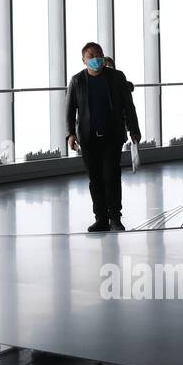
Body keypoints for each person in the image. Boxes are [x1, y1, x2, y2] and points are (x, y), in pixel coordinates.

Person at [66, 42, 141, 232]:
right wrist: (70, 134)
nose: (95, 59)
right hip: (89, 138)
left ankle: (115, 218)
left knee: (112, 176)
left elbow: (128, 106)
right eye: (90, 56)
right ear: (83, 60)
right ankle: (100, 218)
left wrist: (134, 129)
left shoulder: (116, 77)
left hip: (112, 136)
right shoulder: (77, 81)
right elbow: (69, 110)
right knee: (95, 179)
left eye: (98, 54)